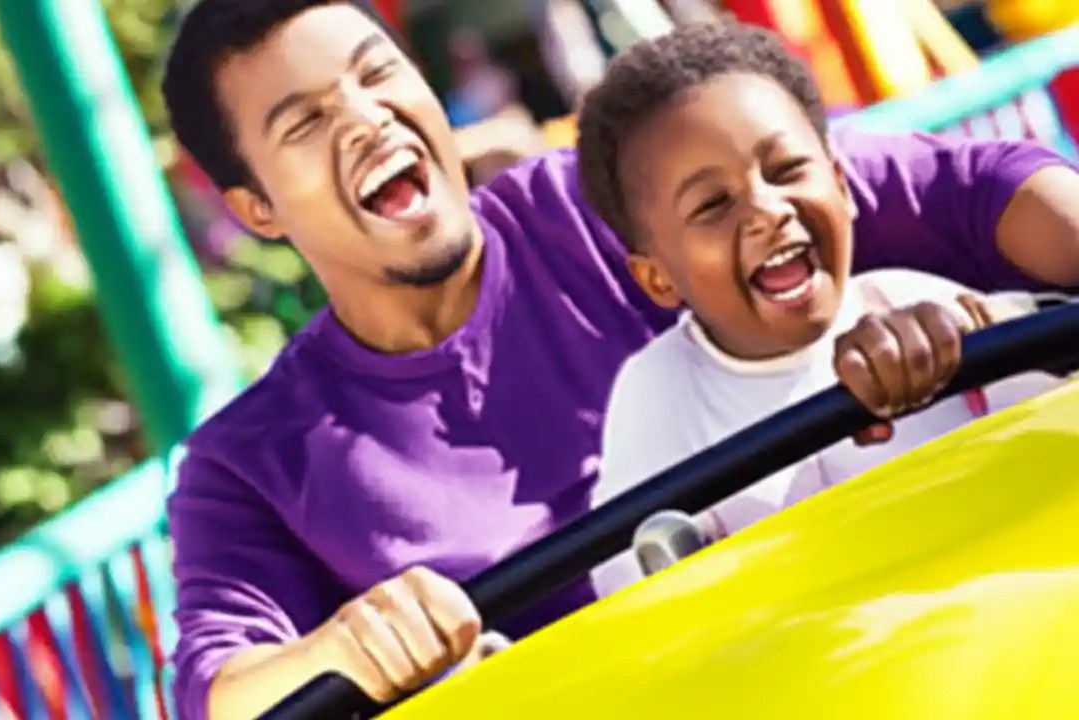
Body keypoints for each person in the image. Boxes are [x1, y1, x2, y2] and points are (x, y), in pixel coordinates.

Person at [158, 2, 1079, 718]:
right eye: (307, 123)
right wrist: (346, 648)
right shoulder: (249, 464)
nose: (367, 122)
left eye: (377, 75)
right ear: (257, 208)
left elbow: (969, 189)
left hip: (873, 655)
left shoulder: (625, 198)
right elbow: (220, 689)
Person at [578, 22, 1069, 597]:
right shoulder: (659, 392)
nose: (768, 210)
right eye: (712, 204)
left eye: (787, 170)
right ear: (657, 277)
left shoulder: (916, 302)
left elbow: (1055, 423)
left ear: (841, 184)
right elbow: (632, 580)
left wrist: (978, 335)